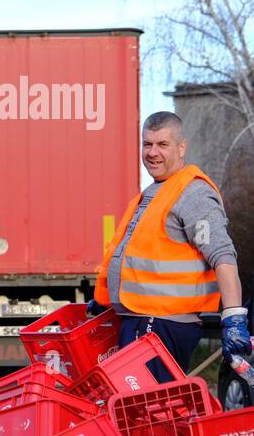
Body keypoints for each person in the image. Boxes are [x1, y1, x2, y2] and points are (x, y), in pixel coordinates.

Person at [91, 110, 249, 381]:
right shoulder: (155, 192)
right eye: (147, 144)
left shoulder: (192, 194)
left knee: (148, 412)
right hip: (141, 320)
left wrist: (233, 317)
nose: (153, 153)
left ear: (181, 147)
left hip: (162, 326)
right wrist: (105, 301)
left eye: (162, 144)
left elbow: (223, 256)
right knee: (140, 414)